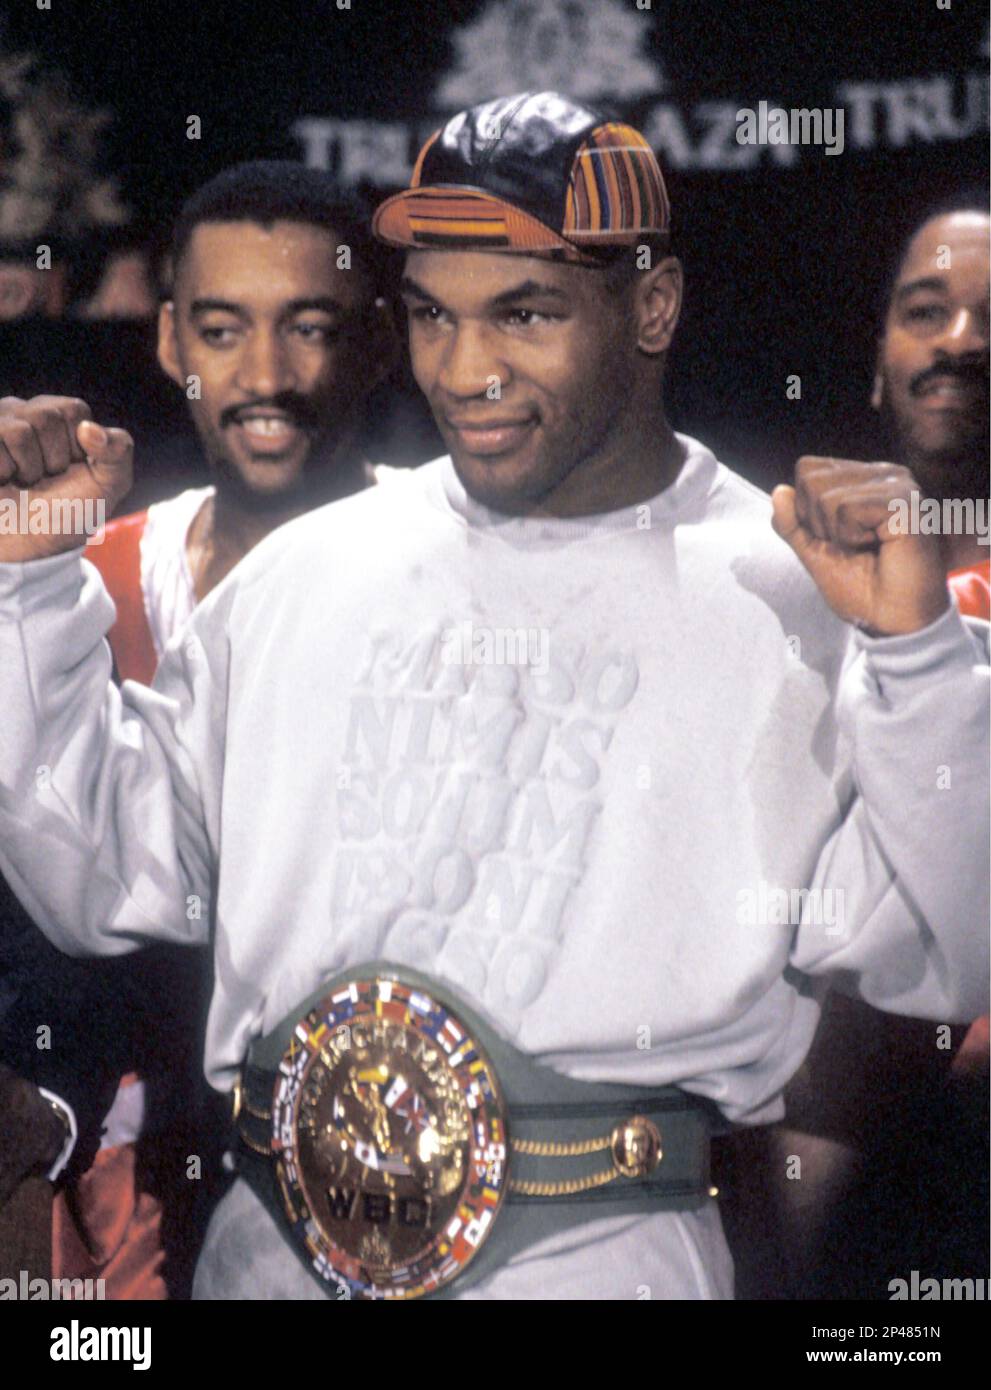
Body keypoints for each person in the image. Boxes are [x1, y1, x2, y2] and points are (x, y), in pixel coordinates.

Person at [0, 92, 986, 1301]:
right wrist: (35, 592)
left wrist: (921, 659)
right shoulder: (309, 572)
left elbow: (947, 955)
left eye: (524, 313)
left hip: (598, 1260)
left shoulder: (794, 594)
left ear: (653, 307)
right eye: (432, 315)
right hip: (268, 1252)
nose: (467, 371)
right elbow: (101, 876)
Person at [1, 160, 398, 1298]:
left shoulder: (452, 569)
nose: (264, 376)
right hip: (119, 1198)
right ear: (171, 340)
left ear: (376, 341)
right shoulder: (71, 576)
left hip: (396, 1170)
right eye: (223, 330)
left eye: (308, 327)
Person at [753, 203, 990, 1298]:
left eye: (990, 316)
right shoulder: (783, 583)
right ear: (875, 360)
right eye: (925, 311)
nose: (958, 340)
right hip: (822, 1128)